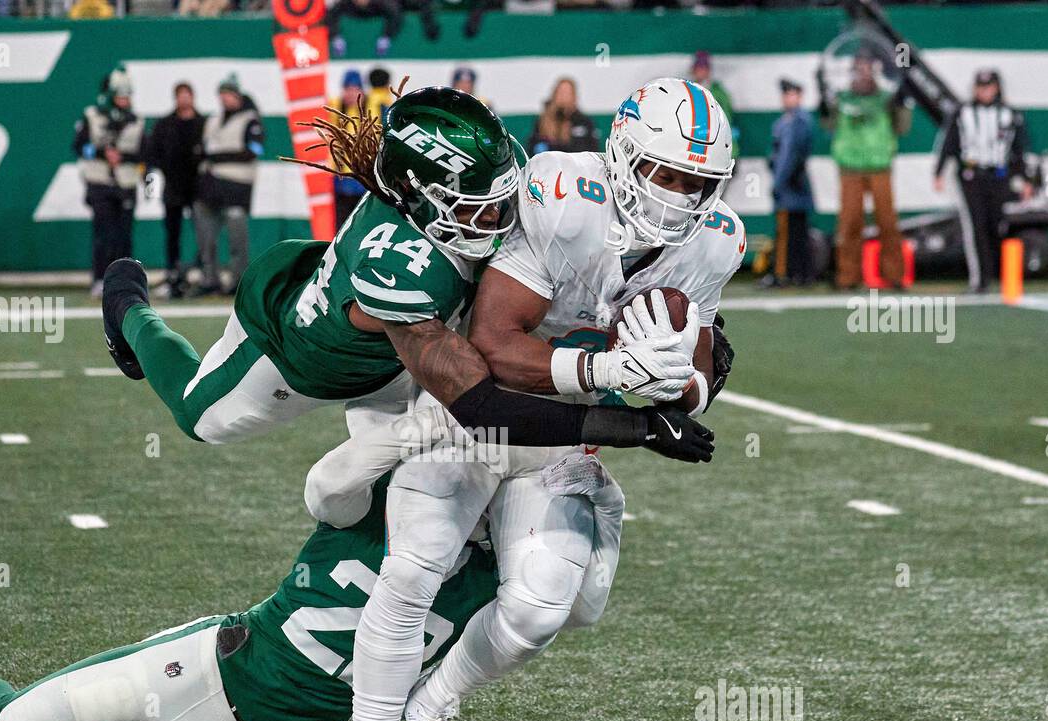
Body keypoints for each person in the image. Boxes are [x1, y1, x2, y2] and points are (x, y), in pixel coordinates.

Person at [0, 408, 622, 721]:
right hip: (205, 668)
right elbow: (324, 485)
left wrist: (600, 517)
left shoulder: (508, 583)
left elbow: (570, 608)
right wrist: (410, 434)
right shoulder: (394, 499)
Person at [332, 77, 738, 721]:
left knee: (544, 608)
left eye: (699, 182)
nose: (682, 198)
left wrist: (684, 386)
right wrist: (609, 372)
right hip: (471, 421)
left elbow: (704, 361)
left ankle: (434, 703)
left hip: (560, 437)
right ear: (621, 156)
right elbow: (490, 348)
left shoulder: (716, 240)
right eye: (667, 174)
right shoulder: (562, 193)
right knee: (413, 566)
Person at [99, 86, 706, 463]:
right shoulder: (407, 268)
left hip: (409, 353)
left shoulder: (491, 181)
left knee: (418, 484)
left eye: (503, 192)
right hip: (302, 352)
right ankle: (129, 307)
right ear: (420, 199)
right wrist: (633, 426)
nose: (500, 214)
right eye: (478, 205)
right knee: (200, 419)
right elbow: (483, 407)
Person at [819, 50, 911, 291]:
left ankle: (895, 276)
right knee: (850, 223)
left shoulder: (886, 98)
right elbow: (827, 125)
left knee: (888, 222)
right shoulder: (842, 99)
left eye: (867, 67)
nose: (863, 72)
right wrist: (823, 101)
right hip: (850, 166)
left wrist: (902, 103)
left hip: (880, 165)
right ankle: (847, 276)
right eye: (859, 67)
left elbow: (902, 128)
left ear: (875, 70)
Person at [933, 69, 1032, 293]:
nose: (985, 91)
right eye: (981, 87)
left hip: (998, 176)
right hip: (971, 176)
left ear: (996, 88)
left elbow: (1019, 149)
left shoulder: (1010, 114)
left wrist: (1025, 179)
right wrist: (939, 172)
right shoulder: (962, 113)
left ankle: (999, 273)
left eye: (989, 87)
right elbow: (949, 143)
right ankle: (980, 280)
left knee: (996, 225)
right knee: (976, 226)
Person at [73, 66, 144, 296]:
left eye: (127, 96)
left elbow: (147, 152)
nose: (125, 100)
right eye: (120, 96)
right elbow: (79, 146)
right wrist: (103, 153)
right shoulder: (92, 116)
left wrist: (124, 157)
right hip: (100, 183)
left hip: (126, 183)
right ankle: (99, 278)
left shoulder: (136, 121)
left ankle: (126, 280)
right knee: (103, 233)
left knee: (124, 236)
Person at [193, 73, 263, 296]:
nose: (224, 99)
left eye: (228, 94)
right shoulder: (213, 119)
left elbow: (253, 151)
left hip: (236, 187)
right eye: (222, 94)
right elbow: (204, 150)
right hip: (211, 186)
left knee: (237, 238)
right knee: (206, 238)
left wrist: (218, 157)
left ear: (237, 95)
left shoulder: (250, 119)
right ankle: (209, 278)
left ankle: (238, 281)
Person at [145, 82, 205, 299]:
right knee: (173, 233)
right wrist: (157, 176)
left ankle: (201, 272)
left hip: (198, 188)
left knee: (203, 233)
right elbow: (152, 153)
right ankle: (173, 272)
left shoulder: (203, 123)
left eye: (187, 95)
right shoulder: (164, 125)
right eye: (180, 95)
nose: (184, 99)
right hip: (173, 186)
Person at [766, 78, 815, 287]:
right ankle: (801, 273)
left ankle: (783, 272)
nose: (787, 98)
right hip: (795, 184)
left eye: (791, 94)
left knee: (789, 232)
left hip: (791, 185)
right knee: (797, 231)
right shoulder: (791, 121)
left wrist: (778, 182)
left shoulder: (795, 122)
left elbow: (787, 156)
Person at [327, 69, 368, 229]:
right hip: (341, 179)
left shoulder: (374, 109)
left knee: (362, 225)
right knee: (341, 226)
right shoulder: (336, 109)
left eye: (354, 89)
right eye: (347, 89)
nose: (351, 94)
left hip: (364, 179)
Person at [528, 78, 599, 155]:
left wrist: (567, 140)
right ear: (554, 95)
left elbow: (592, 151)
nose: (563, 97)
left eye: (567, 93)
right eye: (560, 92)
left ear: (574, 96)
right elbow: (533, 150)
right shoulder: (543, 122)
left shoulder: (584, 122)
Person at [690, 50, 740, 157]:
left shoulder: (719, 94)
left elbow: (726, 119)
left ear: (708, 70)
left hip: (718, 147)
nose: (701, 71)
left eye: (704, 68)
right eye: (698, 68)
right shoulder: (689, 91)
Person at [327, 0, 403, 59]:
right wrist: (335, 36)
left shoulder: (383, 4)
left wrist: (387, 36)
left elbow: (395, 14)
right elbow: (331, 15)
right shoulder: (342, 5)